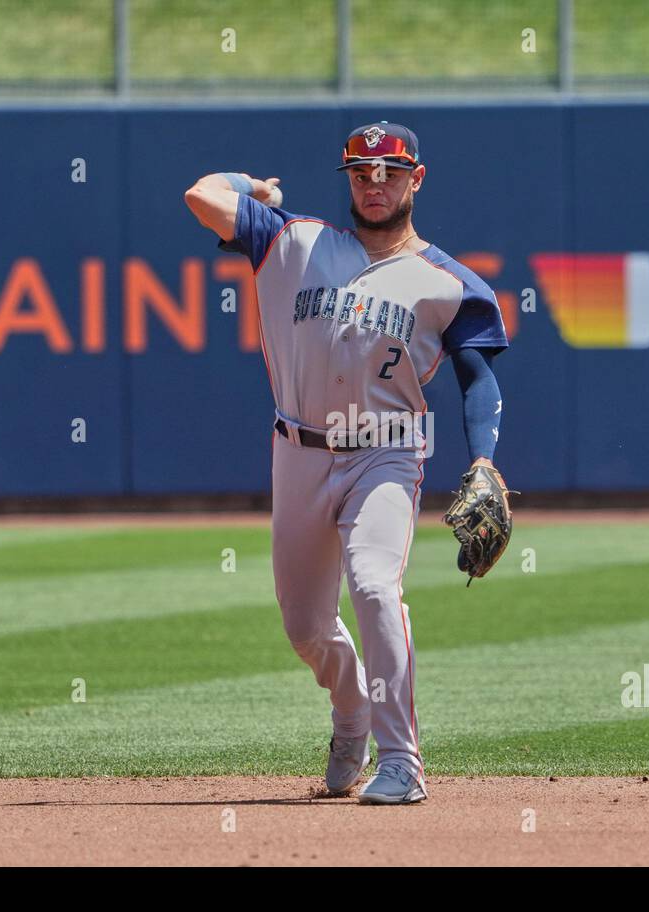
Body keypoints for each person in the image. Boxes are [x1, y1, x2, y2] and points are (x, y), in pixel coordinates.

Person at [183, 122, 508, 804]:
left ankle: (401, 762)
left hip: (387, 450)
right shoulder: (292, 239)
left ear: (416, 178)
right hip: (297, 450)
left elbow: (478, 380)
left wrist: (484, 462)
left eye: (390, 172)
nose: (375, 184)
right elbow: (200, 195)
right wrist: (256, 188)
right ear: (349, 180)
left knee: (372, 583)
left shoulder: (445, 281)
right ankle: (352, 709)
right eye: (361, 172)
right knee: (305, 627)